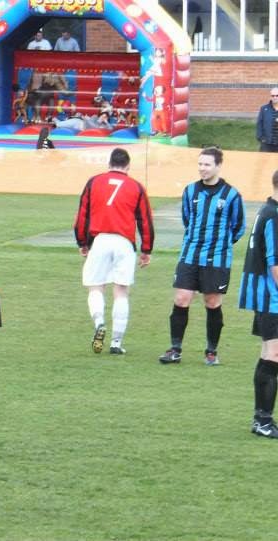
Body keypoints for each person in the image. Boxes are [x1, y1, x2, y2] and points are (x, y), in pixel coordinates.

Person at [158, 147, 244, 365]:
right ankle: (175, 349)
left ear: (218, 166)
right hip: (190, 255)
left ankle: (211, 351)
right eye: (200, 164)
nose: (202, 169)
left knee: (212, 302)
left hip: (217, 258)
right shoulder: (190, 191)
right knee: (181, 298)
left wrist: (221, 244)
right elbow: (188, 219)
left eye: (207, 165)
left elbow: (239, 227)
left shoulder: (232, 195)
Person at [74, 148, 154, 354]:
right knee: (121, 291)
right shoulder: (136, 187)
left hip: (100, 240)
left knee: (95, 287)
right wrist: (146, 249)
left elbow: (82, 214)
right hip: (124, 243)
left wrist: (82, 242)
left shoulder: (94, 182)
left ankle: (99, 323)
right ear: (127, 166)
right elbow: (145, 220)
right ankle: (116, 343)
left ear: (109, 164)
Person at [238, 169, 278, 438]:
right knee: (273, 354)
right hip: (270, 295)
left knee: (269, 353)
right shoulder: (274, 215)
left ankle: (261, 418)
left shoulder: (266, 210)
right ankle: (263, 421)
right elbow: (274, 262)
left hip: (263, 294)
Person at [256, 87, 278, 152]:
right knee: (263, 161)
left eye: (277, 95)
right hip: (266, 143)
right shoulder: (264, 109)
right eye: (273, 95)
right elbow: (259, 124)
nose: (275, 97)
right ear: (270, 97)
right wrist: (260, 137)